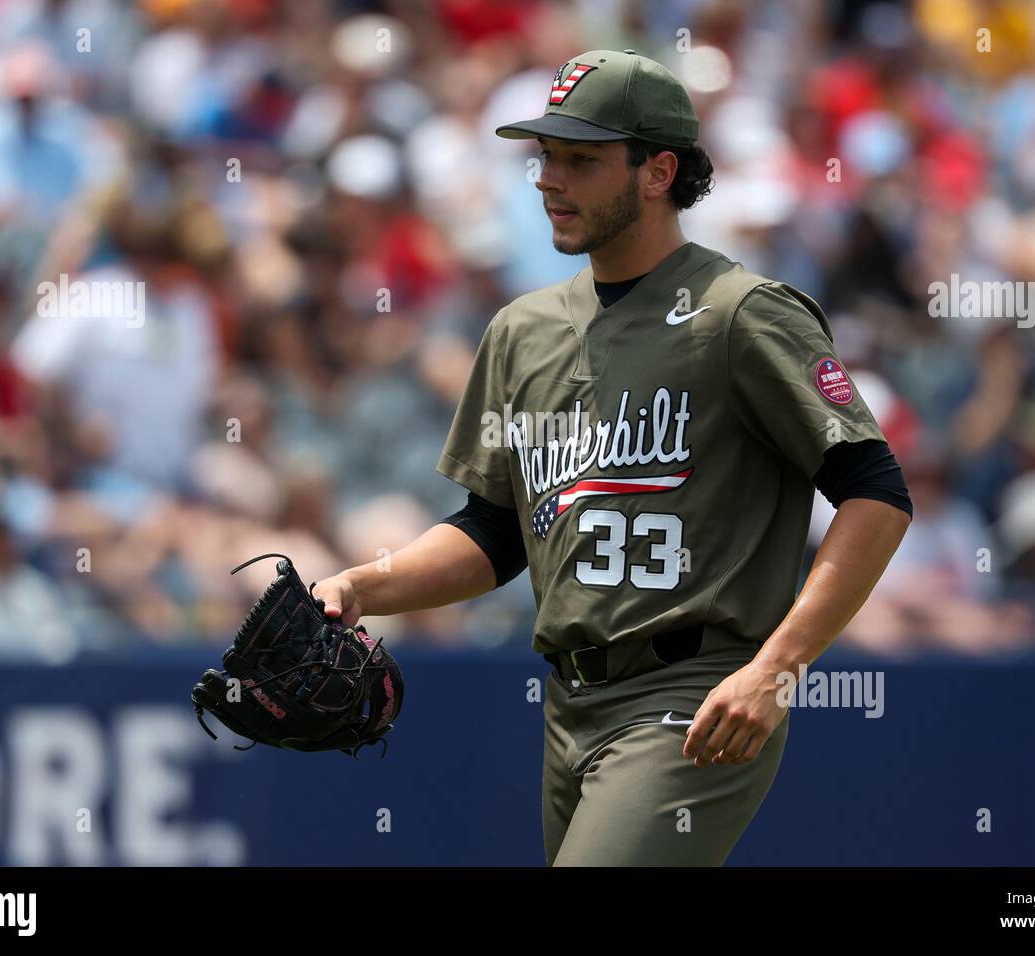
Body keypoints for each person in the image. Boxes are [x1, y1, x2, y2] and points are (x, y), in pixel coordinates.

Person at [312, 50, 912, 866]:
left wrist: (779, 668)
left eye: (582, 160)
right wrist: (364, 585)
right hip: (570, 703)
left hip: (692, 695)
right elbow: (494, 535)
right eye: (545, 156)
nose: (549, 180)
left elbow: (875, 494)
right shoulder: (521, 331)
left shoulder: (740, 315)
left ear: (659, 170)